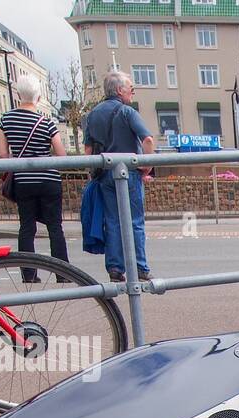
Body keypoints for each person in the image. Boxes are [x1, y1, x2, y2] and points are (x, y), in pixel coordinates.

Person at [82, 70, 154, 282]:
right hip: (129, 172)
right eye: (131, 88)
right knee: (135, 222)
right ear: (120, 90)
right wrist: (146, 165)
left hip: (105, 174)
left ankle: (115, 268)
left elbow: (88, 150)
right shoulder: (127, 112)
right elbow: (147, 140)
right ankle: (141, 267)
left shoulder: (92, 115)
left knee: (112, 221)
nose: (132, 93)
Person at [0, 74, 68, 271]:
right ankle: (62, 272)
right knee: (55, 226)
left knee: (27, 226)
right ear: (38, 97)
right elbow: (61, 154)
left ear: (18, 94)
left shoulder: (6, 120)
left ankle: (28, 273)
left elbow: (3, 154)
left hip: (23, 180)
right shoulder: (46, 122)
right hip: (49, 179)